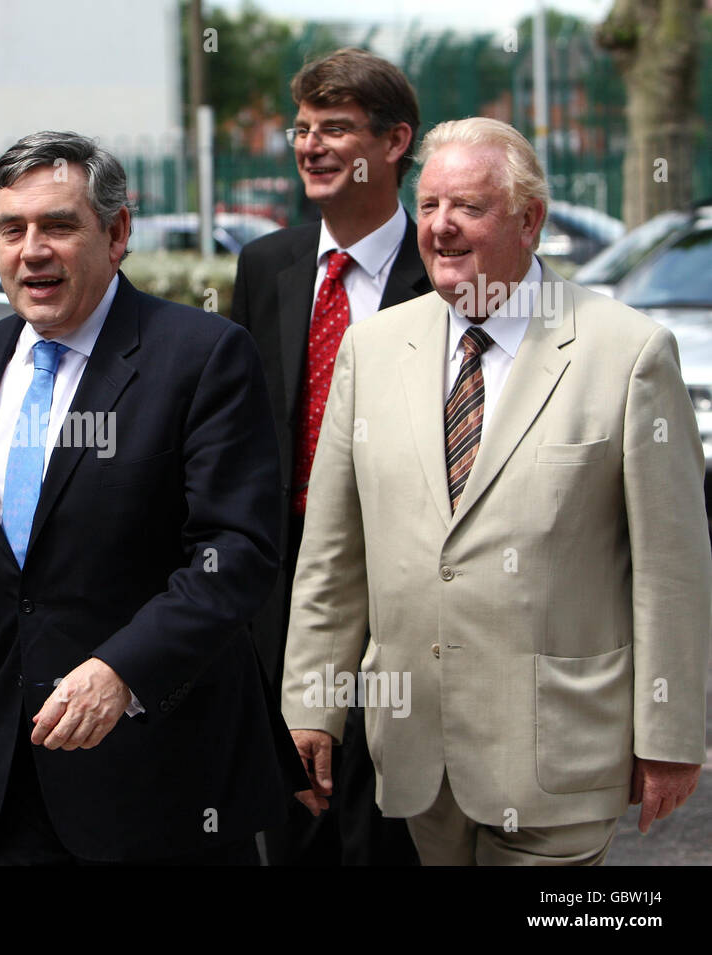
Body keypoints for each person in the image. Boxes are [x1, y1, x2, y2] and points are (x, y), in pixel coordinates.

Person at [281, 117, 711, 865]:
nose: (441, 228)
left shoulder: (628, 352)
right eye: (428, 206)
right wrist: (311, 705)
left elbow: (671, 568)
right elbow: (333, 555)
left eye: (468, 208)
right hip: (414, 752)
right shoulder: (374, 347)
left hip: (559, 751)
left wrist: (670, 735)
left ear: (529, 219)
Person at [0, 130, 305, 865]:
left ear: (118, 232)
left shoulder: (203, 355)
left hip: (163, 779)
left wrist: (122, 669)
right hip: (13, 780)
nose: (32, 250)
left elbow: (236, 553)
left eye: (59, 225)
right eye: (12, 229)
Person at [232, 47, 428, 866]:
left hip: (399, 595)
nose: (311, 146)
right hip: (278, 595)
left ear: (393, 143)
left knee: (386, 825)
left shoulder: (442, 277)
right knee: (288, 822)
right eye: (303, 129)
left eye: (336, 129)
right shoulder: (267, 265)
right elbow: (240, 437)